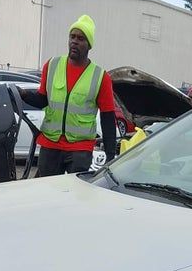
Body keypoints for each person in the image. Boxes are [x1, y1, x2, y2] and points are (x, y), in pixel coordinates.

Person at [19, 15, 118, 176]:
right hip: (51, 144)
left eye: (80, 38)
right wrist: (23, 94)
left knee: (73, 195)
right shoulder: (52, 65)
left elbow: (108, 117)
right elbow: (42, 99)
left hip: (80, 149)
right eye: (72, 37)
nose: (74, 41)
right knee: (46, 193)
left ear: (89, 45)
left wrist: (110, 154)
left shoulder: (100, 77)